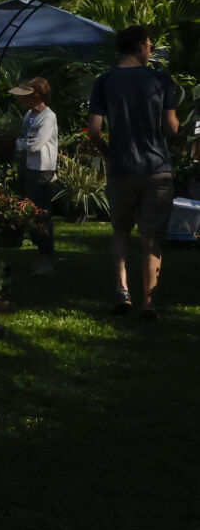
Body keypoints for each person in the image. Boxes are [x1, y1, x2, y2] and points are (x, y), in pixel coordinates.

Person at [87, 26, 180, 318]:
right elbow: (171, 128)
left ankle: (122, 292)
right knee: (151, 236)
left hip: (122, 167)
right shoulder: (160, 80)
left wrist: (110, 154)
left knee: (120, 231)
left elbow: (94, 131)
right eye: (150, 46)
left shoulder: (105, 81)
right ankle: (148, 303)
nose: (151, 51)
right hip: (157, 169)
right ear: (140, 46)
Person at [11, 76, 59, 275]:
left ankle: (47, 258)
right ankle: (40, 254)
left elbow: (35, 144)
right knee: (31, 211)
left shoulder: (48, 117)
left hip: (41, 170)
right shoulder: (29, 115)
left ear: (36, 96)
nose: (22, 99)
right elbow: (25, 141)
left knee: (42, 213)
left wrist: (21, 143)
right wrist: (23, 143)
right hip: (28, 167)